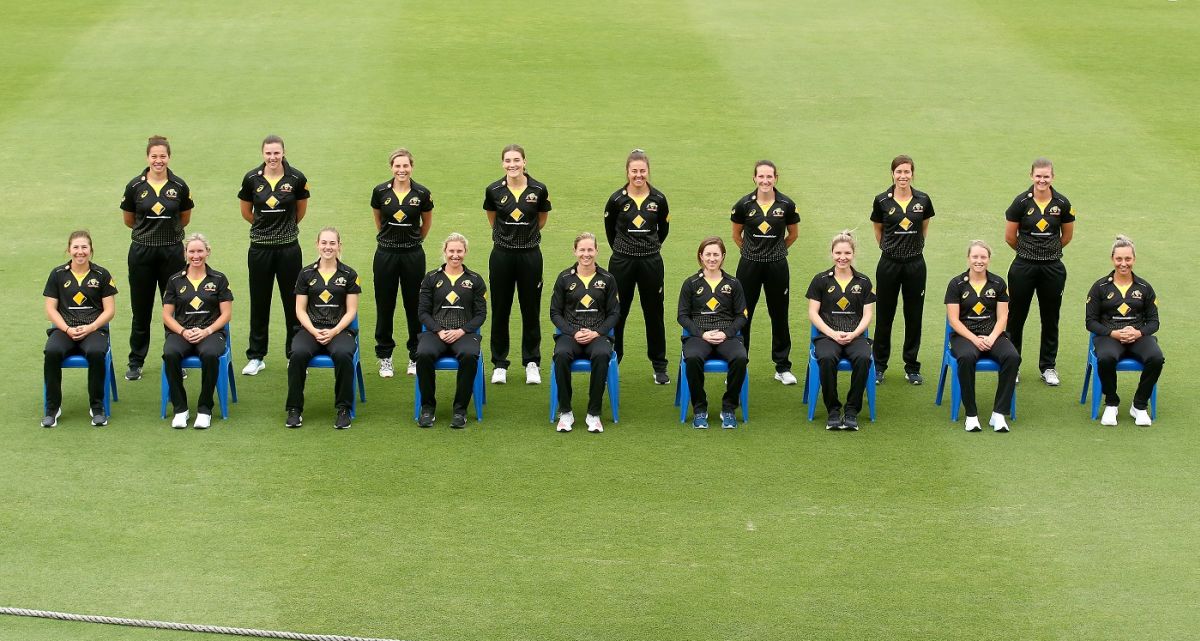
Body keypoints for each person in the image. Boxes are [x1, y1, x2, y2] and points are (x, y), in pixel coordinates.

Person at [119, 135, 193, 381]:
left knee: (173, 308)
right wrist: (148, 235)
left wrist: (166, 236)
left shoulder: (179, 186)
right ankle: (136, 361)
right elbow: (129, 220)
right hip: (142, 253)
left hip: (172, 252)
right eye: (154, 156)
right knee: (141, 309)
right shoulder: (135, 186)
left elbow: (184, 218)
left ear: (169, 157)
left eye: (163, 156)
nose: (158, 161)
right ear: (147, 158)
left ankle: (176, 358)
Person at [239, 135, 310, 376]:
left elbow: (300, 211)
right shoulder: (251, 178)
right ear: (263, 154)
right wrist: (265, 228)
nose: (272, 157)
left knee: (293, 301)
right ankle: (256, 356)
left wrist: (284, 228)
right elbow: (246, 212)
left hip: (289, 249)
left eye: (276, 153)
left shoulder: (296, 178)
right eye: (268, 153)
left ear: (283, 152)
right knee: (260, 301)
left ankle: (294, 354)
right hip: (260, 249)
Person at [1004, 157, 1075, 387]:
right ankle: (1013, 365)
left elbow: (1067, 236)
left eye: (1046, 176)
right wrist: (1029, 252)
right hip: (1023, 267)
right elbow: (1010, 237)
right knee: (1016, 317)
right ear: (1031, 176)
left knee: (1050, 317)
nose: (1042, 180)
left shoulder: (1062, 203)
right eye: (1038, 176)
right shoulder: (1020, 202)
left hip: (1052, 268)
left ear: (1052, 177)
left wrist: (1048, 252)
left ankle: (1048, 367)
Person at [484, 143, 551, 385]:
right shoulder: (493, 190)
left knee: (530, 309)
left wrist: (525, 237)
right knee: (500, 309)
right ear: (503, 163)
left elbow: (541, 220)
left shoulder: (538, 189)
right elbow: (493, 220)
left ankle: (531, 362)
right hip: (502, 256)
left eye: (516, 160)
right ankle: (499, 363)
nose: (512, 165)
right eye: (508, 160)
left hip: (530, 256)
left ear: (524, 161)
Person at [730, 160, 800, 385]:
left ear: (776, 178)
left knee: (779, 315)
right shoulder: (744, 204)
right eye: (761, 176)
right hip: (749, 266)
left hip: (777, 266)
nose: (765, 180)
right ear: (754, 178)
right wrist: (752, 253)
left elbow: (793, 234)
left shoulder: (786, 204)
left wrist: (776, 252)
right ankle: (739, 365)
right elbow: (736, 235)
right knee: (743, 314)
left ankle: (782, 367)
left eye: (769, 176)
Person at [604, 149, 670, 385]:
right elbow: (610, 231)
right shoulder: (616, 200)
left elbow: (663, 230)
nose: (638, 175)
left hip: (651, 262)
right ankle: (613, 361)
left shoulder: (658, 199)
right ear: (627, 172)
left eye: (642, 171)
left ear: (648, 171)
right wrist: (625, 249)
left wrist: (647, 248)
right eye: (634, 171)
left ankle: (659, 365)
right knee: (617, 313)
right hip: (622, 262)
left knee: (654, 313)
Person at [42, 231, 118, 427]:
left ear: (91, 250)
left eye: (84, 247)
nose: (80, 251)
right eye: (75, 247)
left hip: (94, 330)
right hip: (64, 330)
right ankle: (52, 409)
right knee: (52, 351)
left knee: (96, 352)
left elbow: (110, 310)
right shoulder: (57, 274)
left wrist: (91, 327)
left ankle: (97, 407)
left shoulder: (102, 274)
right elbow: (50, 309)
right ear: (69, 249)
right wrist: (67, 329)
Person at [1085, 235, 1163, 426]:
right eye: (1119, 259)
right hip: (1109, 337)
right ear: (1112, 259)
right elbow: (1090, 322)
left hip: (1138, 336)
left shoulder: (1144, 287)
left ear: (1134, 259)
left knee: (1156, 358)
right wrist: (1113, 333)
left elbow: (1154, 322)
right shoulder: (1099, 287)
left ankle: (1139, 405)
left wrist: (1138, 333)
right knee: (1106, 358)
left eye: (1128, 259)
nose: (1123, 263)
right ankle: (1111, 403)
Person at [287, 228, 360, 429]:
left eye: (332, 243)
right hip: (310, 330)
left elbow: (351, 311)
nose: (328, 247)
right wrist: (313, 330)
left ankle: (343, 409)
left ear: (339, 246)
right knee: (298, 354)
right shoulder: (305, 273)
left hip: (339, 331)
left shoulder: (349, 274)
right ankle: (294, 409)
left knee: (343, 354)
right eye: (324, 243)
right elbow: (300, 310)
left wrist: (334, 331)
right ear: (317, 245)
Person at [871, 154, 934, 386]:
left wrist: (912, 249)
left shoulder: (923, 200)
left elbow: (923, 229)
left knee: (913, 316)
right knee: (884, 316)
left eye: (907, 172)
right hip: (888, 264)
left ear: (912, 174)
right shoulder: (881, 200)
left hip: (915, 265)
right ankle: (879, 366)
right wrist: (891, 250)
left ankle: (912, 366)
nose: (903, 176)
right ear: (892, 174)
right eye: (899, 172)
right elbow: (878, 230)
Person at [371, 148, 433, 379]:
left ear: (411, 167)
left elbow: (426, 224)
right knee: (385, 304)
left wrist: (413, 242)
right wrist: (390, 240)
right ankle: (385, 356)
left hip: (412, 256)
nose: (401, 170)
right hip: (385, 255)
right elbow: (379, 220)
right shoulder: (380, 191)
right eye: (397, 166)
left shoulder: (422, 193)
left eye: (405, 165)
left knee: (414, 305)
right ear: (391, 167)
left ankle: (415, 355)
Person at [944, 240, 1019, 433]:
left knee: (1012, 357)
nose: (979, 261)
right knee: (966, 357)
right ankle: (971, 415)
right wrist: (974, 339)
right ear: (968, 258)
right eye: (975, 257)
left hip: (993, 335)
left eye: (983, 257)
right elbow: (954, 320)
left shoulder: (998, 283)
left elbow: (1003, 317)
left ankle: (999, 414)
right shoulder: (956, 284)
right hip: (965, 337)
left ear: (989, 259)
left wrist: (992, 338)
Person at [161, 234, 234, 429]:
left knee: (210, 354)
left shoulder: (219, 279)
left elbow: (226, 314)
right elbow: (167, 315)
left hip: (211, 333)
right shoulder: (175, 280)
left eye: (200, 251)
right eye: (191, 251)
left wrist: (207, 331)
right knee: (170, 353)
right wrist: (183, 332)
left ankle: (204, 409)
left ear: (207, 252)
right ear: (185, 253)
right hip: (181, 333)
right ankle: (180, 409)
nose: (196, 256)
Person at [415, 233, 488, 429]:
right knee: (423, 354)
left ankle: (460, 410)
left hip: (464, 334)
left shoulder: (475, 280)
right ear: (445, 252)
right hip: (436, 333)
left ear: (465, 252)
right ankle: (427, 408)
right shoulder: (431, 278)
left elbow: (481, 315)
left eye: (459, 251)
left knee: (469, 355)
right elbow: (422, 312)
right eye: (451, 251)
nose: (455, 255)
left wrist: (462, 330)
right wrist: (439, 330)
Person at [550, 232, 620, 433]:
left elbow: (614, 313)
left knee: (602, 354)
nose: (586, 254)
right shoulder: (564, 278)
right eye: (582, 250)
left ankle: (594, 414)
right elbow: (555, 312)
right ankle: (565, 412)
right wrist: (573, 332)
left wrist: (597, 333)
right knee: (561, 354)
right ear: (575, 251)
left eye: (590, 249)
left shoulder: (607, 279)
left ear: (597, 251)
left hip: (598, 336)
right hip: (570, 335)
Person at [806, 230, 876, 431]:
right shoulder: (820, 280)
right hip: (827, 336)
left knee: (863, 358)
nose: (842, 257)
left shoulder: (864, 281)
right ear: (832, 253)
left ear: (853, 254)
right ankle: (833, 411)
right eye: (838, 253)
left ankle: (852, 411)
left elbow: (868, 315)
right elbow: (813, 313)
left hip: (855, 336)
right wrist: (832, 333)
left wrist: (854, 334)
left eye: (847, 253)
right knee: (827, 358)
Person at [677, 237, 748, 430]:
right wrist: (702, 334)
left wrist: (726, 333)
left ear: (723, 256)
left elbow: (742, 316)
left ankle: (729, 408)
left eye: (716, 254)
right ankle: (700, 408)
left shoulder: (733, 283)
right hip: (699, 337)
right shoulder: (691, 283)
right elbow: (682, 316)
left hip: (727, 336)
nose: (712, 258)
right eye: (708, 254)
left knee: (740, 358)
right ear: (701, 256)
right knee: (692, 358)